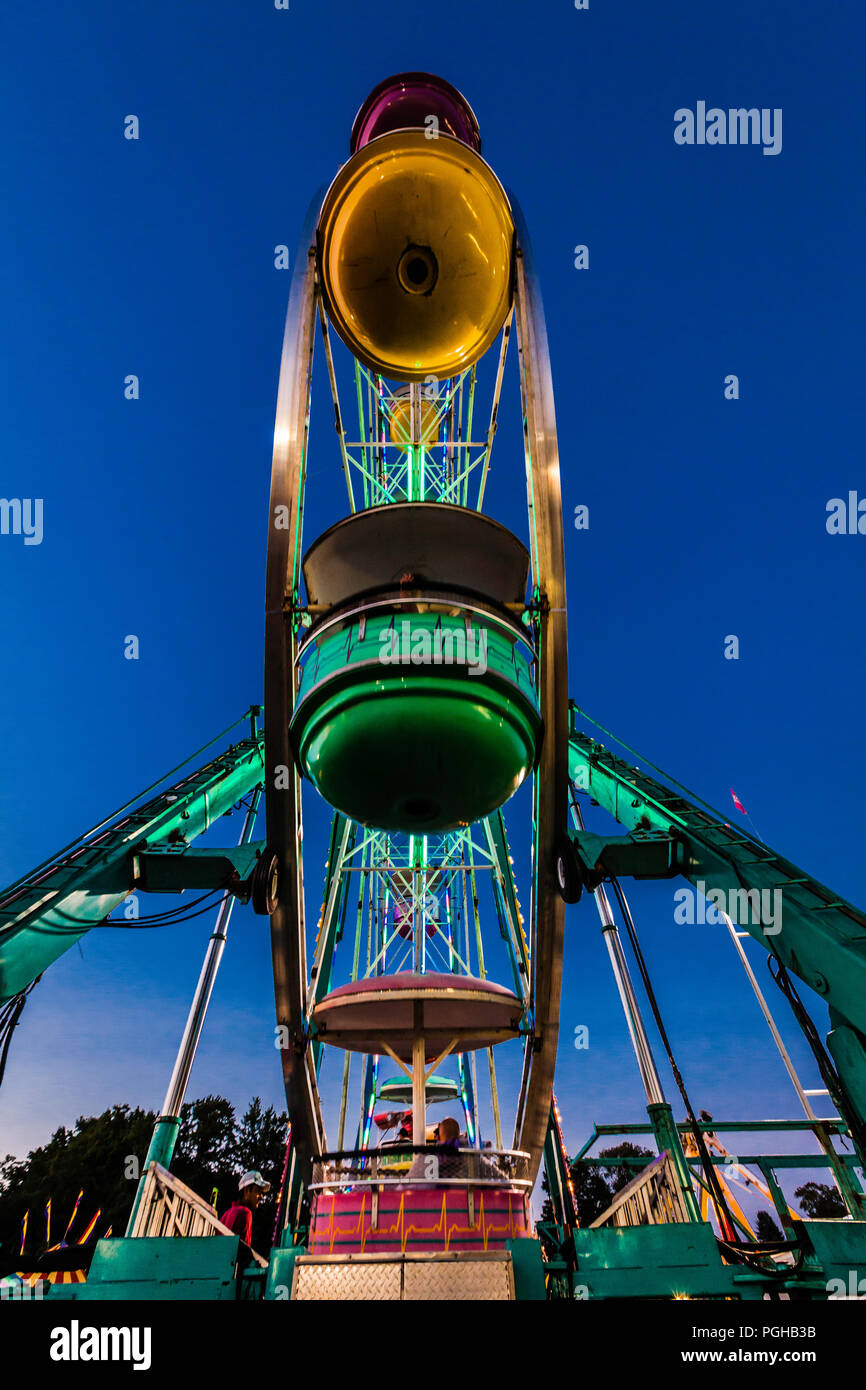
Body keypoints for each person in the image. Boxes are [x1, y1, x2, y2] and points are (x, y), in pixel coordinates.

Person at [220, 1170, 271, 1246]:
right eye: (258, 1191)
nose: (261, 1196)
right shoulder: (245, 1213)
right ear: (247, 1191)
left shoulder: (227, 1213)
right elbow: (244, 1249)